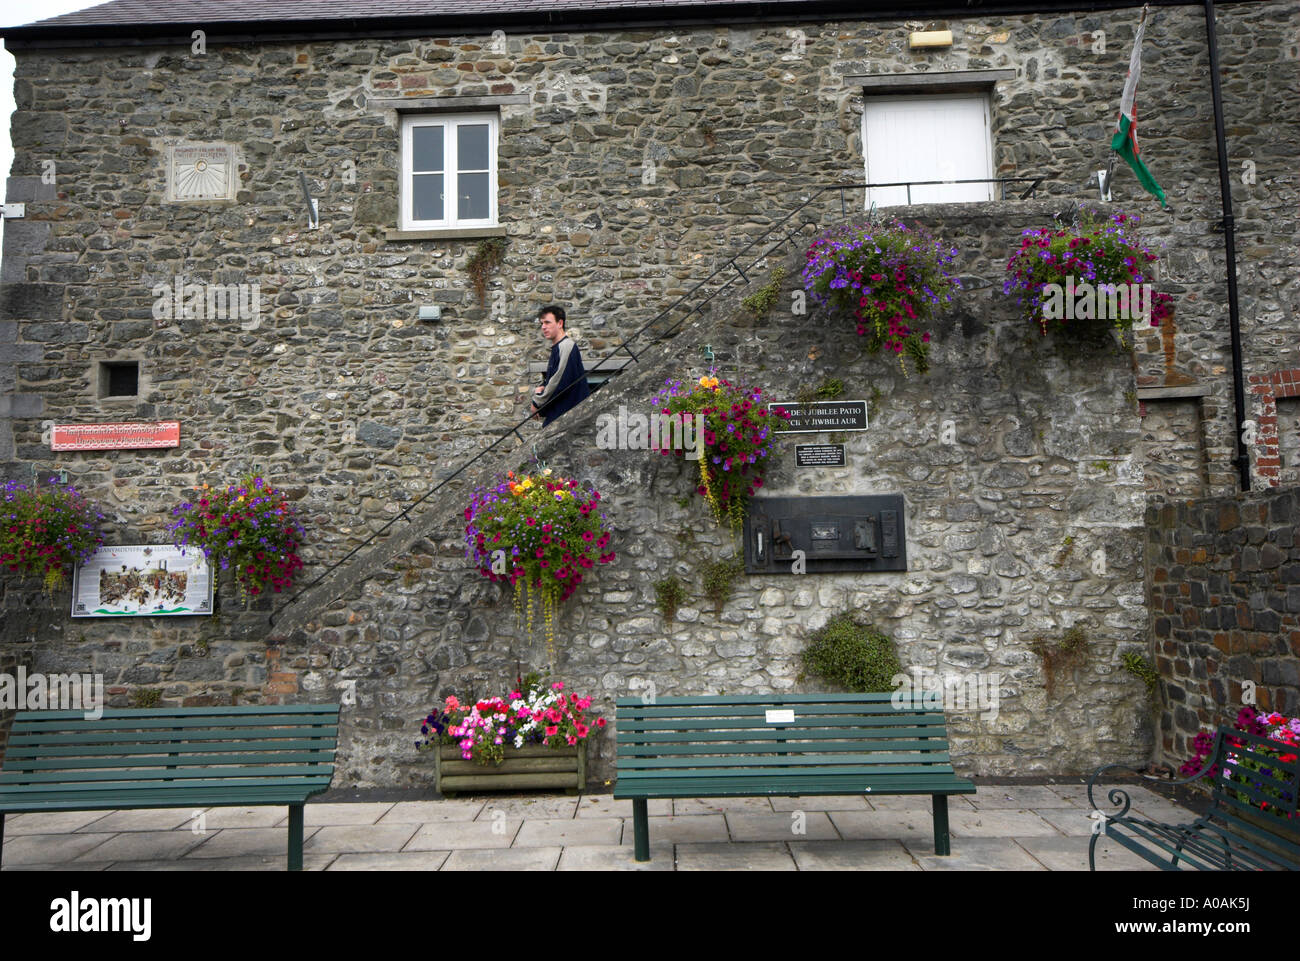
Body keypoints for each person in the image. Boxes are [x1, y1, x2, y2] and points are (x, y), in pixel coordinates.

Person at [530, 305, 589, 425]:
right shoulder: (558, 347)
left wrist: (537, 403)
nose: (543, 327)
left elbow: (559, 381)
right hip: (560, 414)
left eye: (547, 322)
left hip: (569, 417)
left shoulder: (566, 346)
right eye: (542, 323)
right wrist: (543, 387)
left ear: (560, 323)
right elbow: (555, 378)